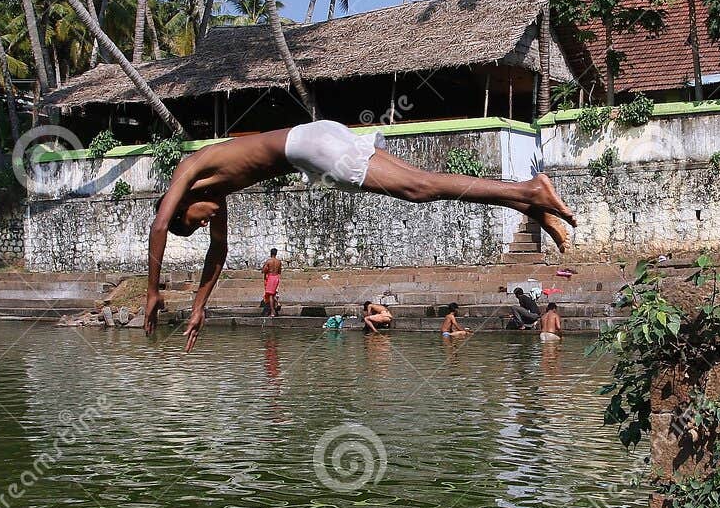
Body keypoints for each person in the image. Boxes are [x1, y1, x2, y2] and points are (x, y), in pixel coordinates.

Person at [142, 121, 576, 348]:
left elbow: (158, 226)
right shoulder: (214, 191)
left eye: (194, 221)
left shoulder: (189, 169)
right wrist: (199, 307)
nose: (206, 223)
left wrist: (152, 293)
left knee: (418, 190)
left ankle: (529, 191)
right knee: (422, 185)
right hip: (315, 138)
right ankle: (529, 203)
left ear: (180, 205)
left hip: (311, 148)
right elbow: (219, 252)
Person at [261, 248, 283, 316]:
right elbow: (279, 271)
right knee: (273, 294)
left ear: (271, 253)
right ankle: (276, 303)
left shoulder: (268, 261)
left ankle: (272, 312)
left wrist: (265, 269)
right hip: (276, 277)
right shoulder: (279, 262)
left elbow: (263, 271)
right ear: (276, 253)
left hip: (270, 277)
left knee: (270, 295)